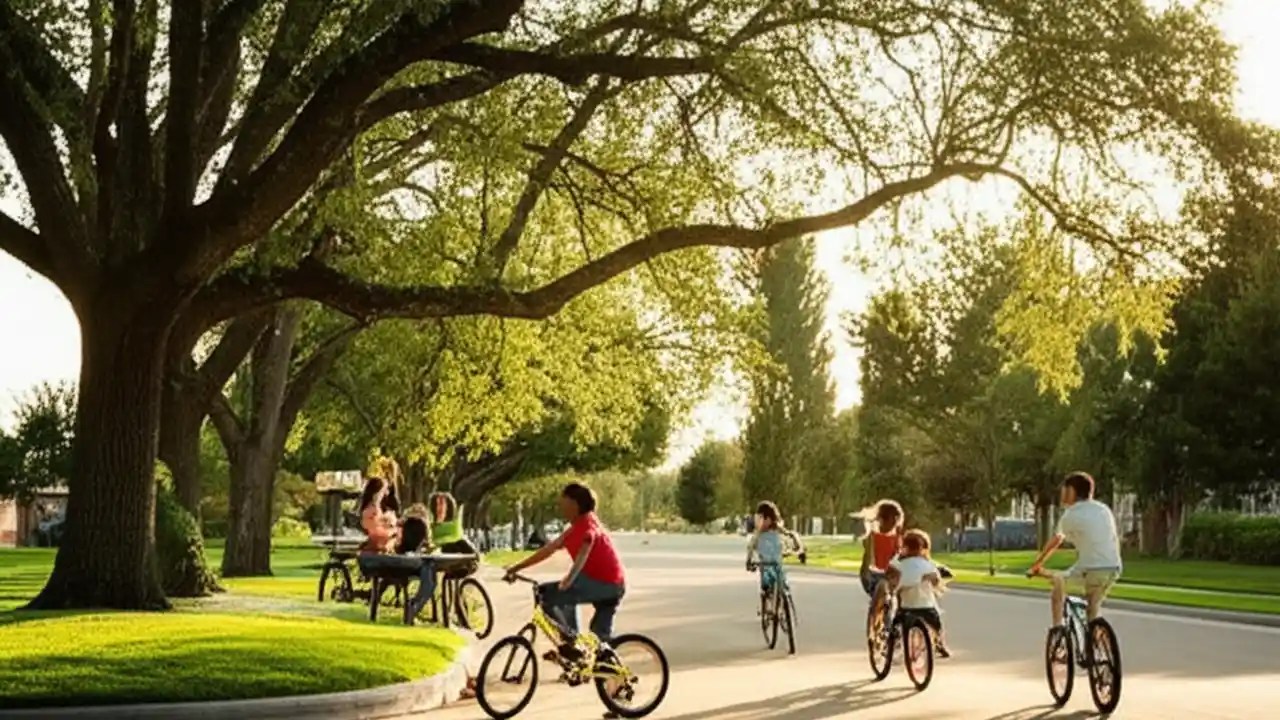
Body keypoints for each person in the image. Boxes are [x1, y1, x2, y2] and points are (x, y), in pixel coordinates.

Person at [503, 483, 626, 662]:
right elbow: (548, 550)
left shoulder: (586, 525)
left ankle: (571, 644)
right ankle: (604, 674)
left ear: (575, 505)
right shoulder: (575, 528)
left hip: (604, 584)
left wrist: (570, 577)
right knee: (600, 641)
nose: (561, 509)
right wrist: (516, 568)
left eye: (564, 504)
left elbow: (586, 546)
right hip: (614, 586)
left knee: (547, 595)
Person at [1029, 471, 1122, 626]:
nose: (1062, 494)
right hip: (1113, 568)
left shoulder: (1070, 515)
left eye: (1064, 490)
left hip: (1090, 570)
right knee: (1093, 611)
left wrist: (1037, 564)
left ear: (1071, 491)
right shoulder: (1103, 509)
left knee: (1059, 583)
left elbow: (1056, 540)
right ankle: (1098, 642)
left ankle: (1057, 630)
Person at [358, 476, 435, 617]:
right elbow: (376, 534)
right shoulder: (372, 510)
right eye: (384, 490)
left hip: (383, 554)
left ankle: (414, 605)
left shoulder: (378, 510)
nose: (386, 493)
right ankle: (413, 606)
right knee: (426, 565)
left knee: (428, 568)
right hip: (374, 556)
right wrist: (394, 530)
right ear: (377, 492)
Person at [885, 529, 952, 658]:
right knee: (936, 624)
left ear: (905, 547)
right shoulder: (929, 565)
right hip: (926, 607)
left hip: (906, 608)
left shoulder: (899, 565)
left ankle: (891, 647)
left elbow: (894, 583)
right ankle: (940, 644)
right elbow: (937, 582)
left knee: (895, 624)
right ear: (923, 548)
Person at [744, 501, 807, 594]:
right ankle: (766, 600)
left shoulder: (777, 529)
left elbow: (792, 535)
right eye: (758, 518)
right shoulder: (758, 534)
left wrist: (800, 549)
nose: (759, 522)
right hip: (765, 564)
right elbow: (751, 546)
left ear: (769, 519)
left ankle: (785, 601)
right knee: (766, 583)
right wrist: (749, 561)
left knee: (783, 585)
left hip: (777, 562)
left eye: (762, 518)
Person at [860, 499, 904, 615]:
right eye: (891, 520)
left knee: (897, 595)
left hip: (889, 575)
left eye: (896, 520)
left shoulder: (898, 537)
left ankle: (894, 617)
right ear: (881, 520)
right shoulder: (872, 537)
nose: (894, 524)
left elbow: (899, 558)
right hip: (872, 575)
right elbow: (869, 559)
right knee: (882, 588)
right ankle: (876, 615)